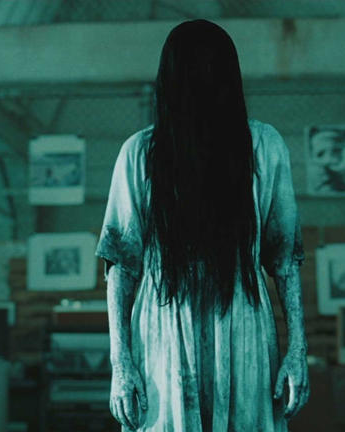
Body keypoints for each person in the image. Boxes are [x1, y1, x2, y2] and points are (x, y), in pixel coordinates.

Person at [95, 19, 309, 432]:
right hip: (166, 333)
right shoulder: (140, 154)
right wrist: (120, 364)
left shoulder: (263, 147)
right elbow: (121, 266)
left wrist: (298, 350)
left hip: (240, 325)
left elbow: (284, 256)